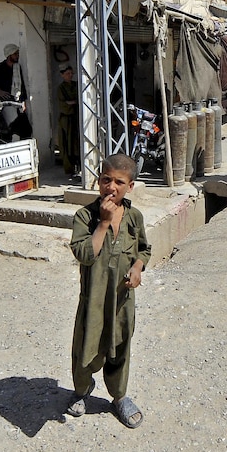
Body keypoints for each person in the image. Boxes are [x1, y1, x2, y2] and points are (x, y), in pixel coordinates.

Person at [66, 153, 151, 428]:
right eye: (105, 180)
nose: (111, 187)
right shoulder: (85, 216)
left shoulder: (134, 218)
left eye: (119, 182)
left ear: (130, 186)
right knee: (85, 348)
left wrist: (137, 269)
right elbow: (84, 254)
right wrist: (102, 223)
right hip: (93, 301)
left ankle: (119, 396)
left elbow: (143, 250)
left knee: (120, 347)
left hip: (122, 301)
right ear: (98, 182)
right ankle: (81, 391)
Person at [0, 43, 32, 141]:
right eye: (15, 54)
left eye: (17, 53)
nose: (17, 56)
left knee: (26, 132)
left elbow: (21, 86)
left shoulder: (17, 68)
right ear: (9, 55)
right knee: (6, 134)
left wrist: (23, 101)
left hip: (16, 104)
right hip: (3, 106)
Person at [56, 64, 79, 175]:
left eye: (71, 73)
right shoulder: (61, 88)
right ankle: (70, 168)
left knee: (77, 144)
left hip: (76, 118)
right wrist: (73, 102)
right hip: (66, 119)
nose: (70, 76)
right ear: (62, 75)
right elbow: (64, 104)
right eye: (67, 74)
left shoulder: (76, 85)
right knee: (67, 144)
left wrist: (73, 102)